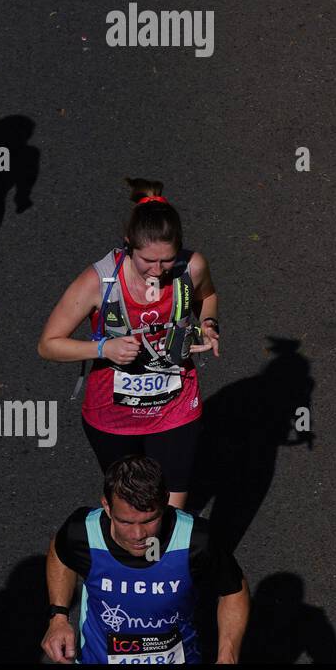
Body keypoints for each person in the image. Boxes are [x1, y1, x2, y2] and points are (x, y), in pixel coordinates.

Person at [38, 179, 220, 507]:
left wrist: (208, 324)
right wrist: (103, 349)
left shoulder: (191, 268)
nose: (158, 271)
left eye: (167, 260)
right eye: (147, 261)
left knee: (171, 505)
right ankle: (119, 557)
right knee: (127, 505)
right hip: (113, 416)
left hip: (175, 407)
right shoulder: (98, 281)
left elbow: (207, 296)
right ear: (127, 245)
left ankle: (165, 558)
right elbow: (48, 344)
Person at [42, 455, 248, 665]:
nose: (139, 534)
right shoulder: (83, 532)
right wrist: (58, 617)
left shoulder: (196, 540)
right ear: (107, 506)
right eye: (125, 522)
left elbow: (233, 590)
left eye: (150, 520)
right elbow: (60, 553)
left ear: (165, 501)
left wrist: (227, 656)